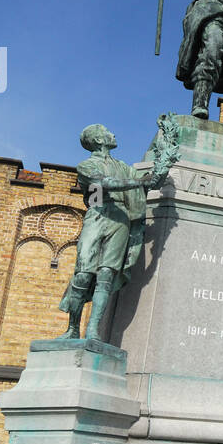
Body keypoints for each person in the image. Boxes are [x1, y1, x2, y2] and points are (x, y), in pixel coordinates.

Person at [58, 124, 166, 342]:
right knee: (83, 272)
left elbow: (148, 184)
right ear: (98, 140)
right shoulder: (87, 165)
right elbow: (102, 184)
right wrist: (139, 181)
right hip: (98, 214)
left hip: (121, 219)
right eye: (107, 132)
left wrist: (165, 164)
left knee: (106, 274)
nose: (113, 134)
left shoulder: (124, 167)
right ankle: (72, 328)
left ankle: (93, 331)